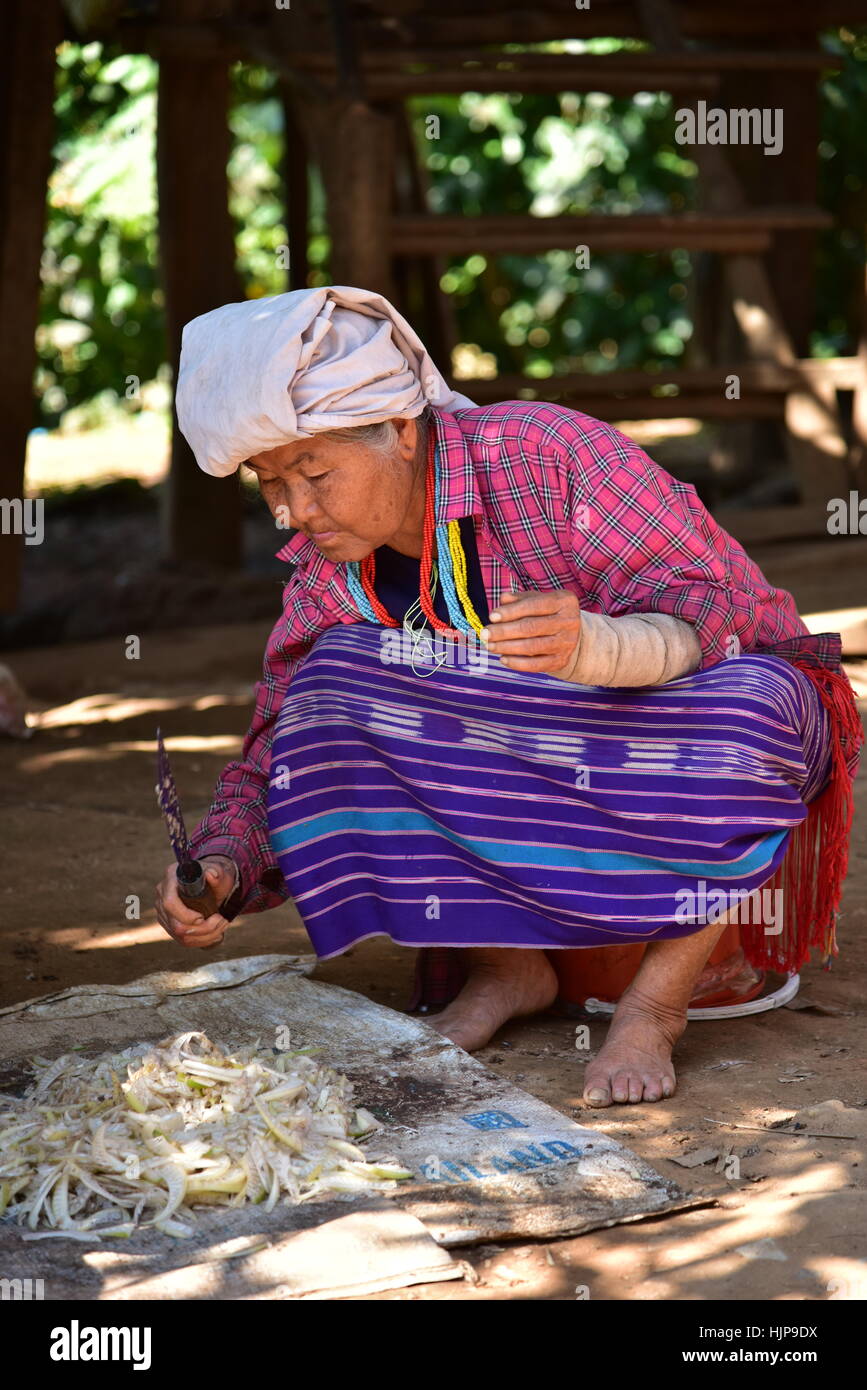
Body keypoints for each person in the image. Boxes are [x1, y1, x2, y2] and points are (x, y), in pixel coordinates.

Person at [155, 286, 862, 1107]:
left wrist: (597, 646)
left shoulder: (544, 451)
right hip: (536, 761)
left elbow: (723, 608)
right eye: (268, 482)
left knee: (753, 708)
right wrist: (225, 864)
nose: (294, 510)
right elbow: (277, 742)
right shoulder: (327, 572)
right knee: (330, 686)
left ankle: (654, 1004)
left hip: (681, 721)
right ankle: (505, 967)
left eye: (315, 472)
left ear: (402, 434)